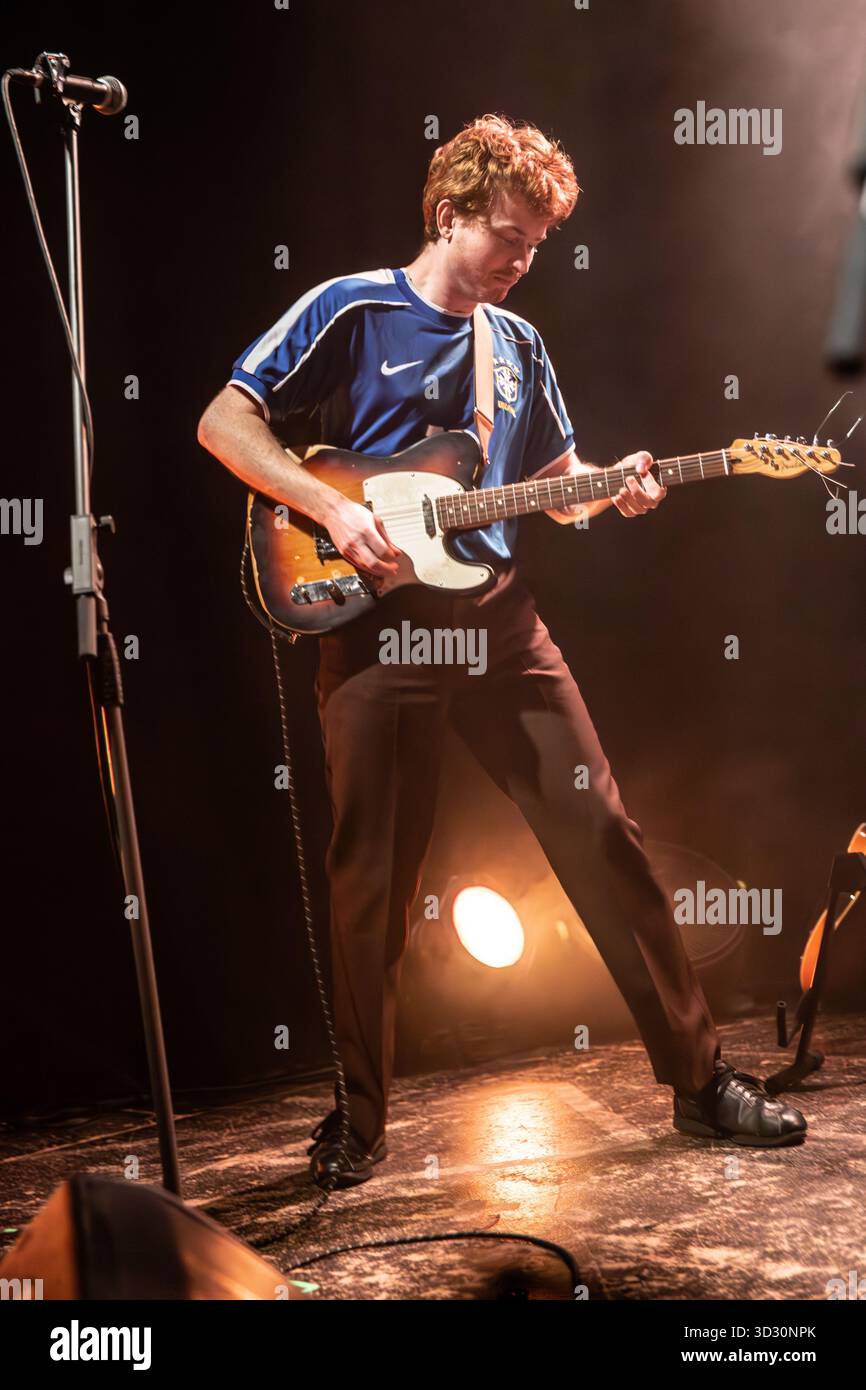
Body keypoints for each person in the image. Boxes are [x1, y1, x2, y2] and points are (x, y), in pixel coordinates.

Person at [197, 114, 807, 1188]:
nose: (525, 264)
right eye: (510, 239)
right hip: (377, 625)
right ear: (448, 215)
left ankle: (702, 1082)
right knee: (370, 880)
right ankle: (359, 1121)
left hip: (497, 619)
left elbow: (555, 482)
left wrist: (612, 491)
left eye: (537, 247)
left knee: (605, 832)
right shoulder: (346, 306)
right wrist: (330, 515)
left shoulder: (515, 346)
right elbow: (223, 422)